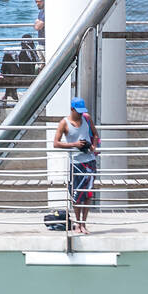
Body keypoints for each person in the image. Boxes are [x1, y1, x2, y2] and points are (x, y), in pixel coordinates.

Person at [53, 97, 99, 234]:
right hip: (76, 163)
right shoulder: (64, 123)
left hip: (89, 161)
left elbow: (95, 135)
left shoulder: (86, 118)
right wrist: (75, 145)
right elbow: (56, 143)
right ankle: (78, 223)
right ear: (72, 109)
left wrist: (93, 147)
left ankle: (83, 223)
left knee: (88, 195)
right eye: (78, 111)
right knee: (77, 195)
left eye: (82, 111)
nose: (80, 114)